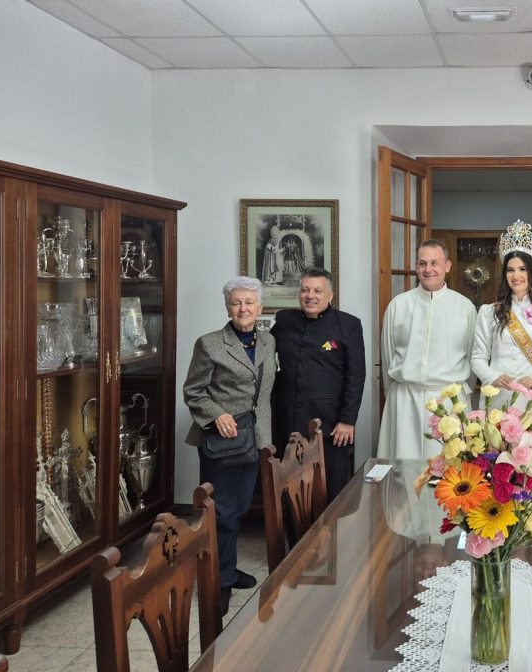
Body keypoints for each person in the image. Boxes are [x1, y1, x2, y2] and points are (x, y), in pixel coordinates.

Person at [183, 276, 275, 616]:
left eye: (249, 302)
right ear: (227, 307)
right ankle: (217, 584)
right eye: (237, 302)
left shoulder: (268, 342)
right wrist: (217, 414)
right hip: (222, 440)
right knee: (220, 513)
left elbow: (263, 393)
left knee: (236, 511)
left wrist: (267, 439)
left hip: (254, 438)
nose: (243, 308)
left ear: (260, 308)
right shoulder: (209, 344)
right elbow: (193, 391)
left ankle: (228, 569)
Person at [271, 267, 365, 502]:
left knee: (330, 491)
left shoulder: (348, 325)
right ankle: (296, 541)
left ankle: (330, 539)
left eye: (317, 290)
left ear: (330, 295)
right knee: (291, 494)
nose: (310, 296)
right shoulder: (283, 321)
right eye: (305, 290)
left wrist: (348, 420)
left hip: (332, 426)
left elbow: (356, 375)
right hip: (289, 421)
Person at [377, 240, 476, 459]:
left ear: (447, 266)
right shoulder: (398, 305)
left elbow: (472, 358)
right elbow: (388, 355)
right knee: (403, 471)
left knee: (449, 476)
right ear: (416, 267)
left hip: (449, 402)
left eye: (434, 263)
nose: (428, 269)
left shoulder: (465, 308)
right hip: (405, 399)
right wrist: (393, 394)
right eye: (422, 263)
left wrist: (459, 394)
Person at [471, 220, 532, 418]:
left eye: (522, 269)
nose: (516, 276)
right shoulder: (488, 312)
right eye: (510, 270)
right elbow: (477, 358)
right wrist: (492, 377)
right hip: (497, 401)